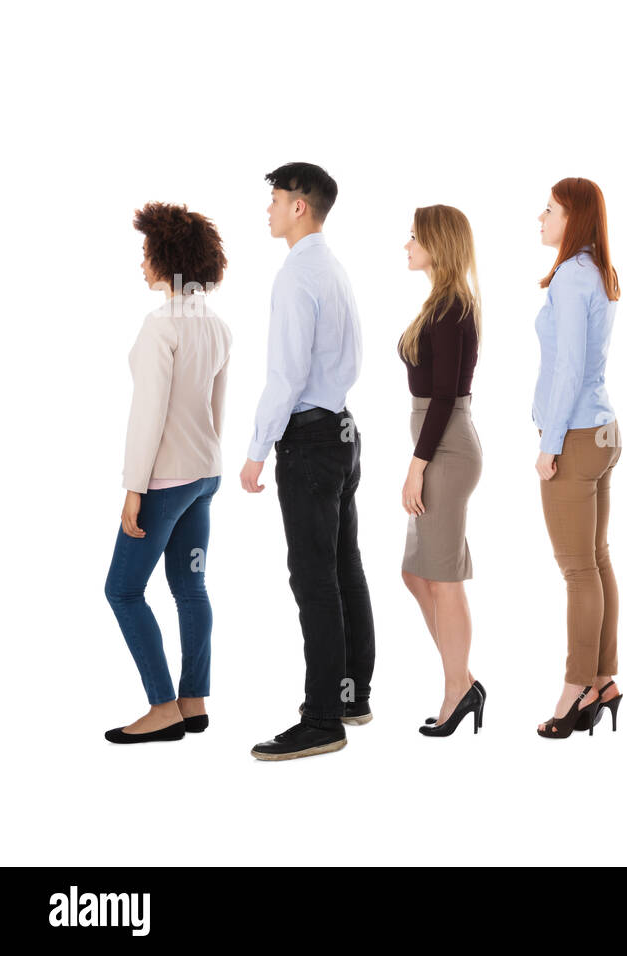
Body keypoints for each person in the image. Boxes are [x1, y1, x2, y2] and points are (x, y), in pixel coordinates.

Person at [241, 162, 376, 761]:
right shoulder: (334, 268)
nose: (268, 210)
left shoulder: (298, 275)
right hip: (343, 433)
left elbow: (287, 374)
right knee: (344, 567)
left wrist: (256, 448)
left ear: (301, 206)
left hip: (311, 441)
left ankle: (323, 718)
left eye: (275, 200)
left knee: (314, 580)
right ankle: (352, 695)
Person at [104, 202, 232, 744]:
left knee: (123, 590)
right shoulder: (217, 325)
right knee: (190, 587)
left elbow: (148, 416)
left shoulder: (162, 326)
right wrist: (207, 463)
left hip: (164, 481)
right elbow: (215, 408)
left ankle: (162, 707)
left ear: (166, 257)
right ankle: (194, 700)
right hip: (205, 474)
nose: (141, 263)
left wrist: (133, 488)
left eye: (146, 253)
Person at [532, 177, 622, 739]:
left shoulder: (570, 277)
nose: (539, 217)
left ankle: (576, 689)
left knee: (577, 569)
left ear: (574, 219)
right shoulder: (600, 272)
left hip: (577, 435)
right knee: (597, 559)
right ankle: (604, 679)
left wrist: (549, 443)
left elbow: (566, 369)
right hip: (605, 430)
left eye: (549, 210)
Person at [397, 205, 486, 738]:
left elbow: (446, 397)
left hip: (447, 449)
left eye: (414, 237)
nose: (406, 244)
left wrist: (416, 467)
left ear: (438, 243)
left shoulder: (453, 305)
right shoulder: (440, 301)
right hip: (438, 445)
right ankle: (465, 679)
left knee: (444, 579)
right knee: (416, 573)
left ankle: (456, 691)